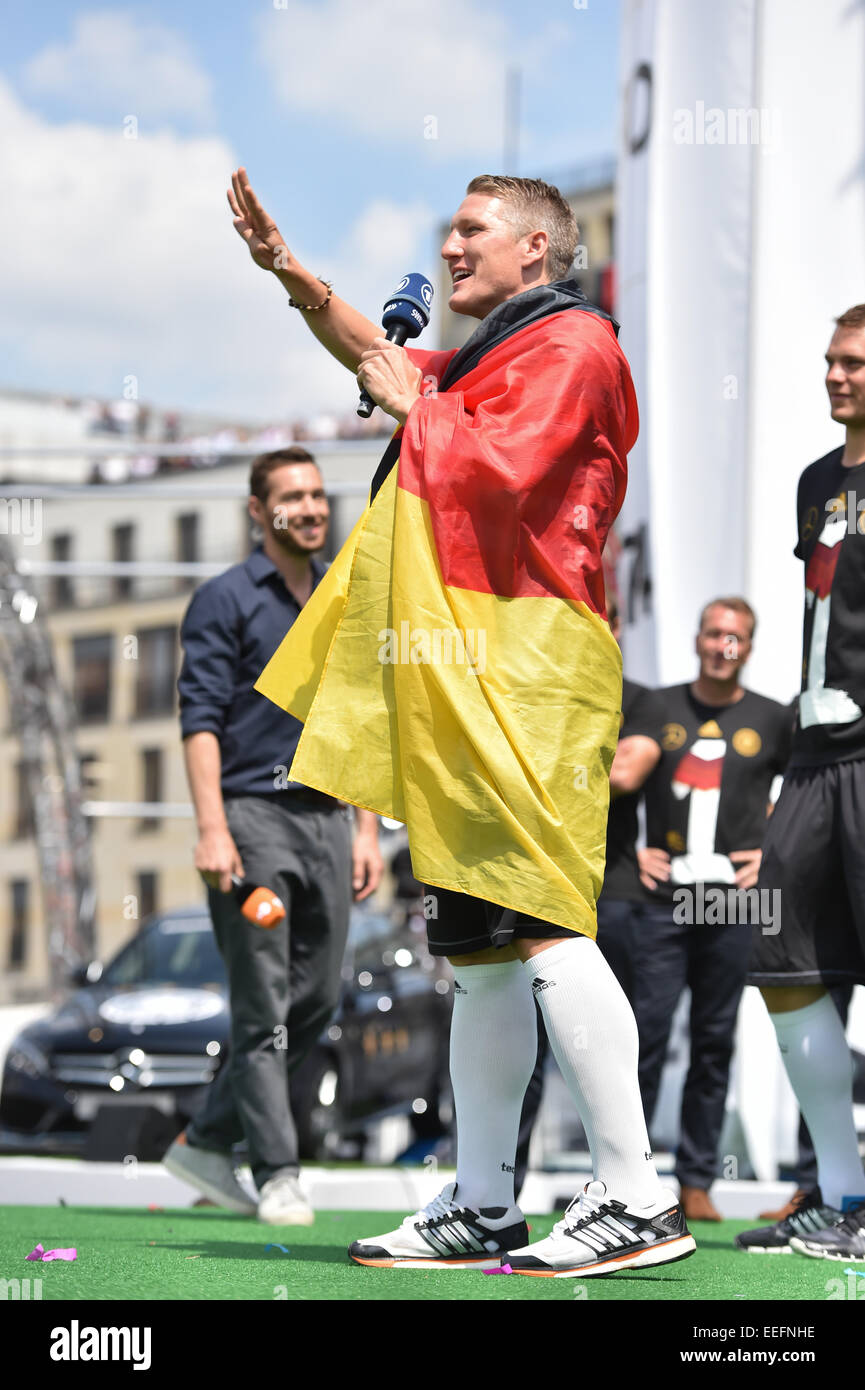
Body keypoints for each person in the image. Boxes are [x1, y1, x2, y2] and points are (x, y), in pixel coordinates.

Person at [227, 166, 696, 1278]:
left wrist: (411, 406)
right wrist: (292, 276)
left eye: (470, 230)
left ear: (535, 248)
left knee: (543, 925)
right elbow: (389, 363)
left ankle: (635, 1192)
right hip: (469, 662)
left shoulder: (574, 346)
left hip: (529, 664)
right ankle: (485, 1202)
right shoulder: (494, 353)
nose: (448, 248)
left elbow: (501, 465)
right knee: (480, 952)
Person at [162, 447, 383, 1224]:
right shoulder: (224, 599)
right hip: (251, 819)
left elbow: (355, 717)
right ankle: (278, 1171)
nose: (312, 508)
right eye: (292, 496)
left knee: (316, 1000)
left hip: (327, 815)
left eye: (320, 495)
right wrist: (212, 829)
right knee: (263, 1008)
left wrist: (362, 830)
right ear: (258, 512)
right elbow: (199, 724)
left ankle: (205, 1141)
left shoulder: (341, 596)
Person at [736, 305, 865, 1258]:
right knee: (781, 959)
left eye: (853, 363)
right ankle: (841, 1190)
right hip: (813, 757)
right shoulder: (815, 482)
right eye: (828, 361)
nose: (836, 377)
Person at [636, 598, 792, 1223]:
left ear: (749, 647)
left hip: (732, 905)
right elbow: (612, 778)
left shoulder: (774, 719)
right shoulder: (658, 706)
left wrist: (773, 851)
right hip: (661, 903)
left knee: (713, 1038)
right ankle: (626, 1177)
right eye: (714, 634)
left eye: (736, 637)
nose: (723, 645)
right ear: (697, 639)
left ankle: (696, 1181)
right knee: (643, 1035)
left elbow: (809, 789)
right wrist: (629, 854)